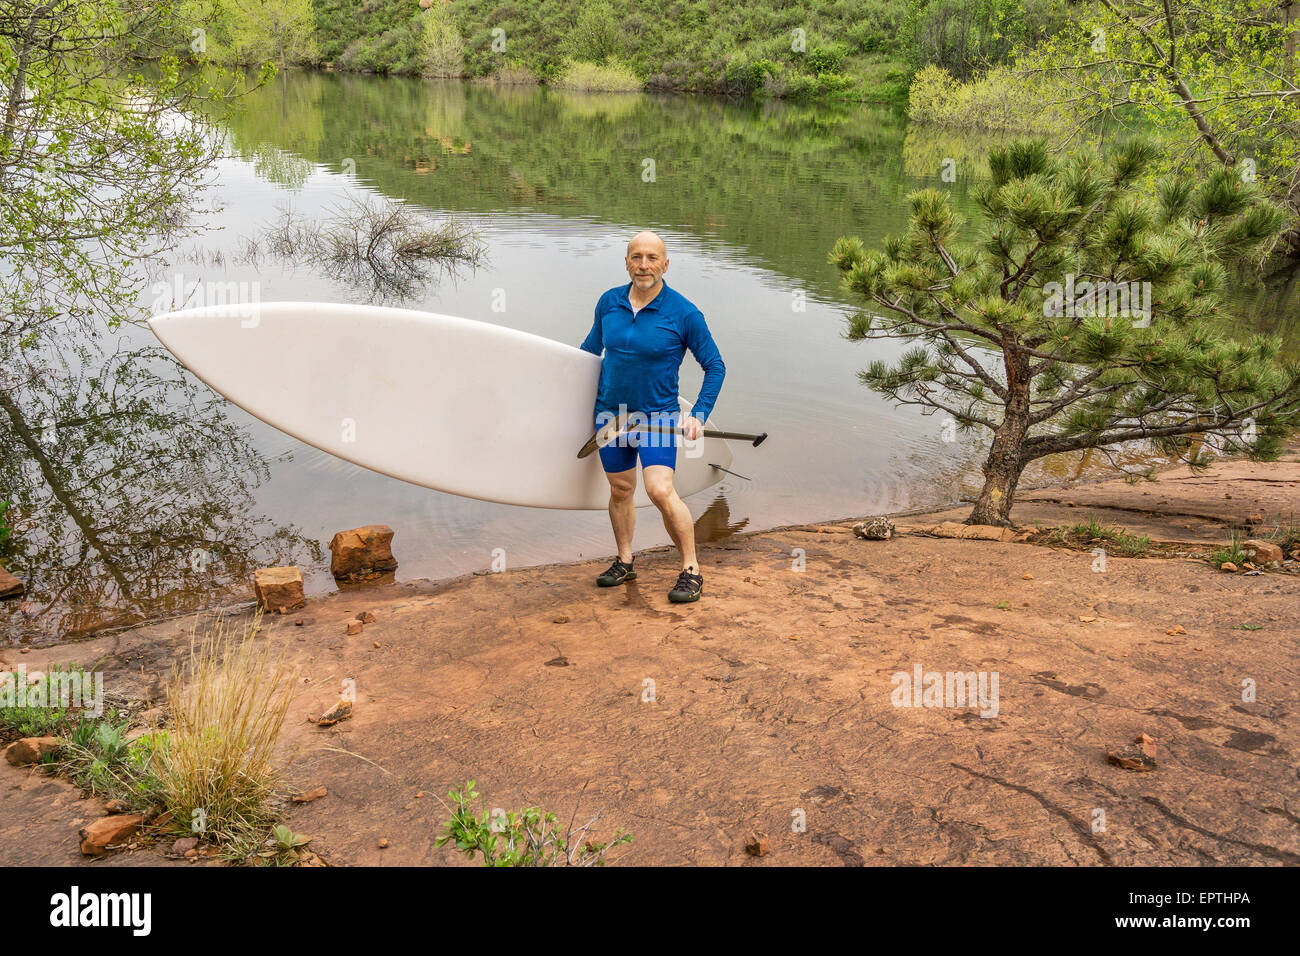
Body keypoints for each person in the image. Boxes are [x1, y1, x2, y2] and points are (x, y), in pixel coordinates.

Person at [579, 231, 725, 603]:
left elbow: (715, 366)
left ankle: (691, 569)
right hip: (611, 416)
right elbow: (587, 353)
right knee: (621, 489)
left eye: (652, 258)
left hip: (657, 417)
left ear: (665, 264)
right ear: (626, 261)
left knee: (660, 490)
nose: (644, 265)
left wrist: (700, 414)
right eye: (636, 257)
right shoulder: (608, 303)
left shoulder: (684, 313)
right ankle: (626, 560)